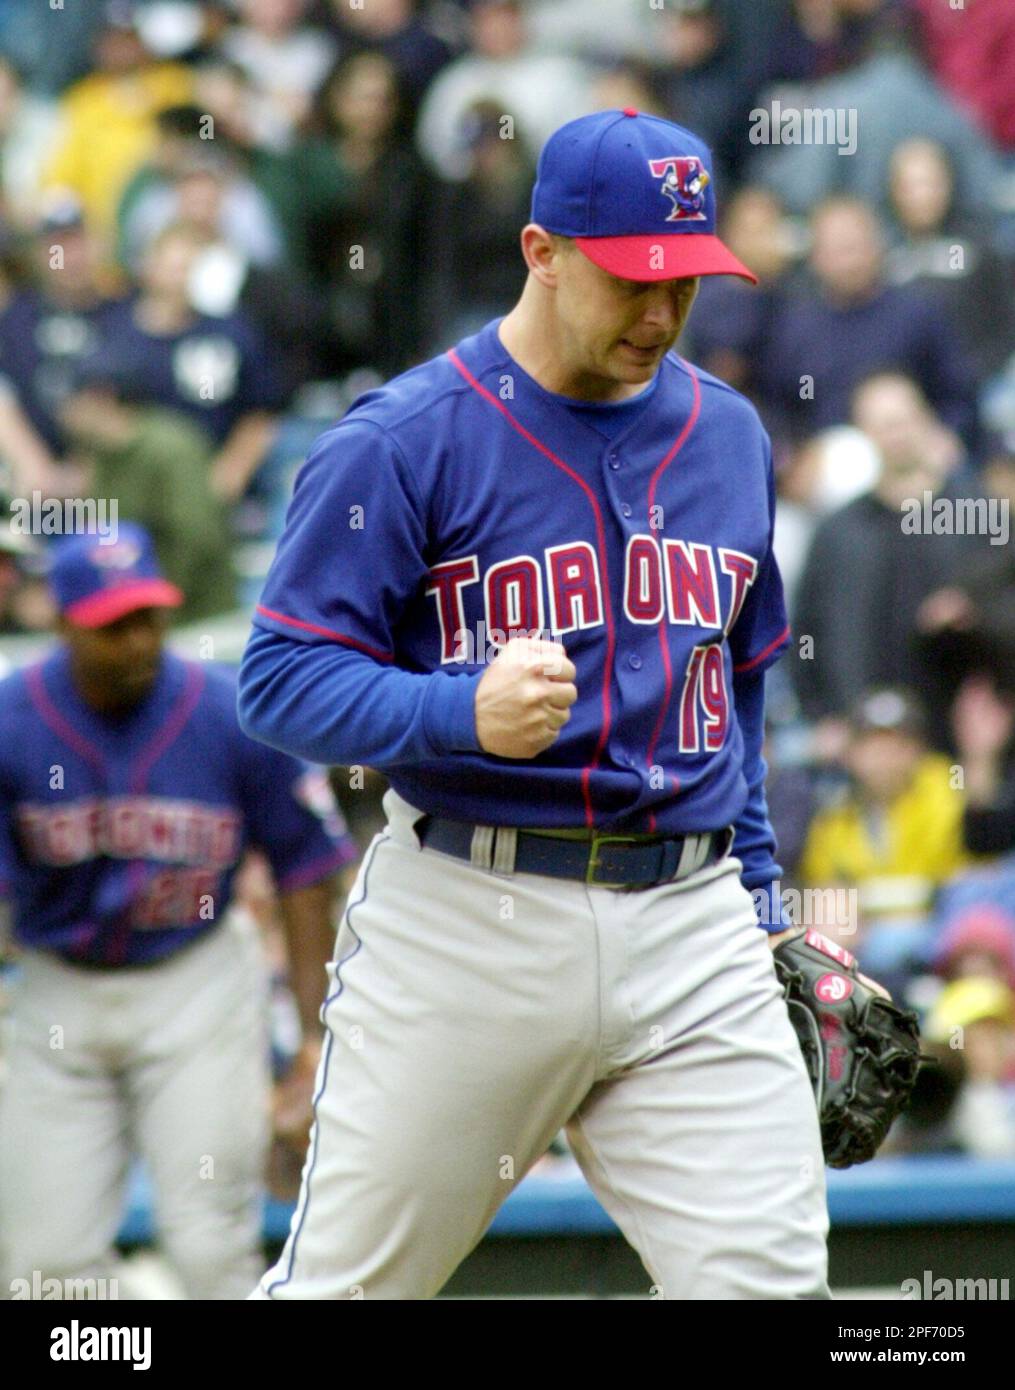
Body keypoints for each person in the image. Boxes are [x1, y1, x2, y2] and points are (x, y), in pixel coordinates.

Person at [236, 108, 880, 1300]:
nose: (660, 313)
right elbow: (276, 681)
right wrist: (451, 713)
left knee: (772, 1293)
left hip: (692, 927)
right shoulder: (403, 440)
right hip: (471, 918)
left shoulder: (729, 435)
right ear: (542, 251)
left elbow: (729, 694)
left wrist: (756, 901)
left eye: (685, 279)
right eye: (635, 277)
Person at [0, 524, 359, 1298]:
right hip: (58, 985)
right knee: (42, 1271)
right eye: (111, 625)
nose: (136, 641)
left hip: (196, 981)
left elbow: (307, 871)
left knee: (208, 1250)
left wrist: (309, 1044)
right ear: (62, 624)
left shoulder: (225, 710)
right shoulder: (13, 721)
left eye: (148, 618)